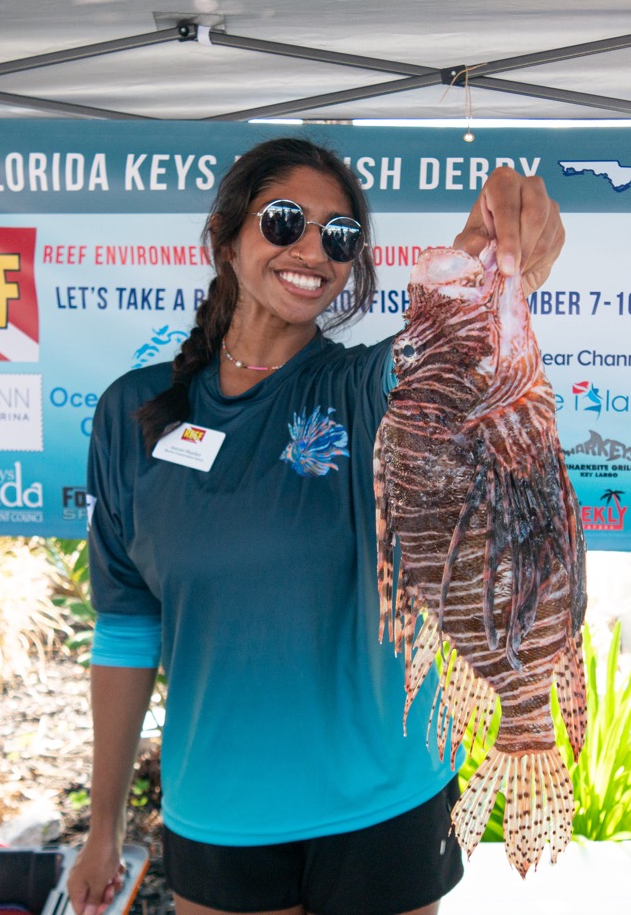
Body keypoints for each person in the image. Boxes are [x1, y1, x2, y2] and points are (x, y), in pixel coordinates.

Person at [67, 135, 564, 915]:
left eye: (339, 236)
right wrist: (104, 826)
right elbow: (127, 627)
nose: (313, 250)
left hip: (387, 800)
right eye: (285, 220)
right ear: (224, 238)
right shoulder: (132, 414)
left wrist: (495, 248)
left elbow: (445, 344)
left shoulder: (363, 388)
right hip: (220, 809)